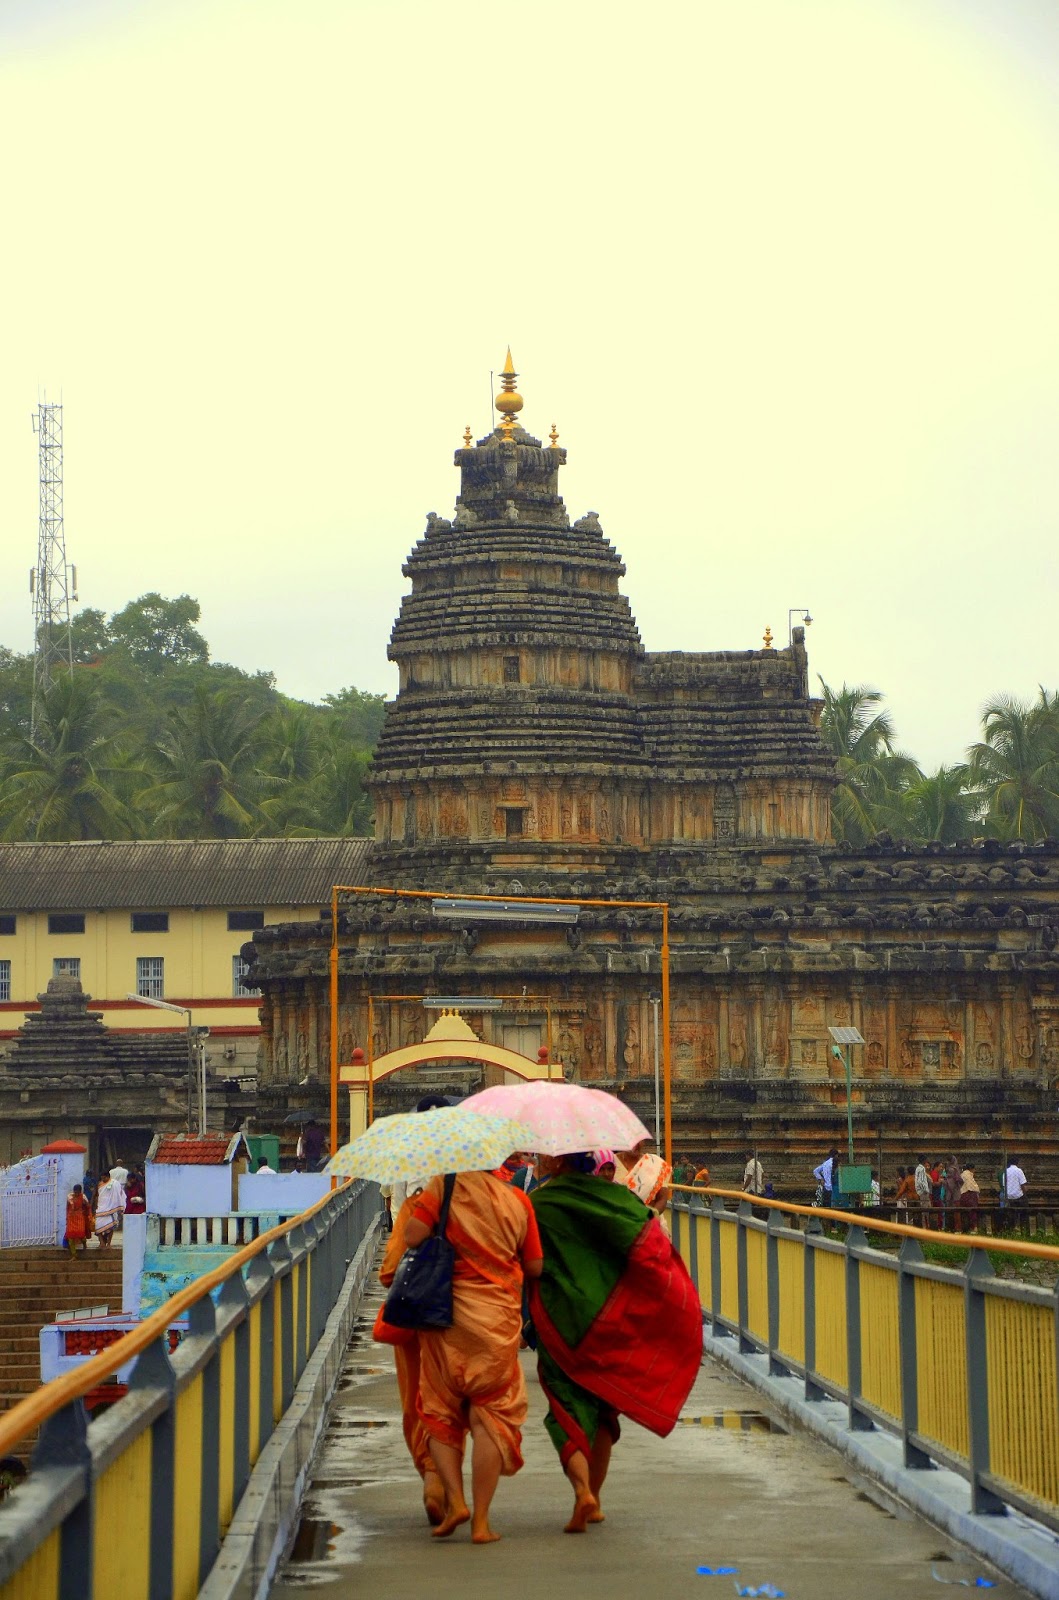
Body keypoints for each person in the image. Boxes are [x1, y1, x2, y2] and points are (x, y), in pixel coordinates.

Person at [530, 1151, 702, 1533]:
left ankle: (581, 1491)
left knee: (568, 1408)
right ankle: (595, 1497)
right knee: (604, 1412)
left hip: (564, 1322)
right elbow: (649, 1238)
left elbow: (530, 1263)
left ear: (557, 1163)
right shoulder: (617, 1198)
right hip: (611, 1318)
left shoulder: (539, 1204)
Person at [403, 1165, 543, 1543]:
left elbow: (412, 1236)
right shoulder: (518, 1199)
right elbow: (534, 1265)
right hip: (496, 1321)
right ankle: (481, 1522)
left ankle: (456, 1501)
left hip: (446, 1315)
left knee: (439, 1410)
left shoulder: (442, 1187)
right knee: (490, 1415)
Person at [376, 1180, 446, 1525]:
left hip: (417, 1320)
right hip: (464, 1320)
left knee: (416, 1401)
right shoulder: (478, 1203)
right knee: (449, 1403)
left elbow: (389, 1271)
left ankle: (432, 1474)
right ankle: (449, 1482)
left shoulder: (414, 1209)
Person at [624, 1153, 673, 1237]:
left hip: (651, 1225)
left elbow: (662, 1198)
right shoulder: (611, 1165)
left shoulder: (654, 1163)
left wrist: (648, 1218)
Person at [93, 1168, 126, 1247]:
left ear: (108, 1176)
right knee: (98, 1226)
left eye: (104, 1178)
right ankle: (102, 1242)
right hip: (101, 1208)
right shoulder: (99, 1184)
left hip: (111, 1208)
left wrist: (119, 1206)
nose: (103, 1179)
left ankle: (109, 1243)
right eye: (102, 1178)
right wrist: (94, 1206)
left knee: (110, 1227)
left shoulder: (115, 1184)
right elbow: (96, 1195)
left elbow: (120, 1194)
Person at [64, 1184, 93, 1258]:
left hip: (80, 1218)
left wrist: (89, 1216)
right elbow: (67, 1208)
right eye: (75, 1192)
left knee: (81, 1235)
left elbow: (88, 1207)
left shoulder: (83, 1197)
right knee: (70, 1237)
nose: (76, 1194)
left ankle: (84, 1243)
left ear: (80, 1191)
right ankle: (74, 1255)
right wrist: (67, 1217)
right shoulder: (69, 1197)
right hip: (71, 1218)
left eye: (78, 1192)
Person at [1003, 1157, 1028, 1225]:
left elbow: (1004, 1185)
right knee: (1025, 1210)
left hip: (1008, 1196)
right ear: (1017, 1163)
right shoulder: (1019, 1171)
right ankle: (1023, 1224)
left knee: (1010, 1213)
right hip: (1018, 1195)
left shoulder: (1006, 1171)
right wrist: (1025, 1193)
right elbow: (1022, 1184)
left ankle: (1012, 1225)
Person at [959, 1163, 981, 1230]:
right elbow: (972, 1187)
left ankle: (965, 1228)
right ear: (971, 1169)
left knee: (964, 1213)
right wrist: (977, 1192)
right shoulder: (968, 1175)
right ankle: (974, 1227)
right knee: (973, 1211)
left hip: (962, 1195)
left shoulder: (962, 1174)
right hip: (969, 1195)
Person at [914, 1155, 932, 1225]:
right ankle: (925, 1225)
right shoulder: (922, 1169)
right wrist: (925, 1190)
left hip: (921, 1191)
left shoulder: (918, 1168)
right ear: (924, 1160)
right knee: (925, 1210)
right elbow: (920, 1181)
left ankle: (927, 1224)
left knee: (927, 1208)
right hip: (923, 1192)